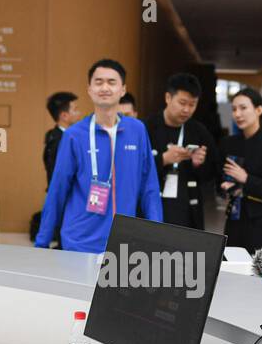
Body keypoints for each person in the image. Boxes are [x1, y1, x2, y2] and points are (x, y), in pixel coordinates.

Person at [35, 58, 163, 253]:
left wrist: (157, 233)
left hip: (124, 242)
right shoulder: (74, 135)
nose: (104, 87)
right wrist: (42, 242)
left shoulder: (137, 130)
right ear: (89, 89)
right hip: (80, 241)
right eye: (98, 82)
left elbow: (149, 187)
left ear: (123, 89)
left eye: (112, 82)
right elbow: (58, 190)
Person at [144, 73, 214, 229]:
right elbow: (134, 169)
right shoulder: (146, 127)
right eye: (182, 103)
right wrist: (163, 160)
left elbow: (211, 175)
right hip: (153, 207)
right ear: (168, 98)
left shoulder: (198, 131)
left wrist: (198, 165)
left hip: (187, 210)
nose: (187, 110)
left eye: (193, 104)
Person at [220, 87, 262, 252]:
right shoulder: (228, 143)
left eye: (243, 108)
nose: (237, 114)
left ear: (259, 110)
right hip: (234, 220)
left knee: (259, 273)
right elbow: (220, 180)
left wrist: (246, 179)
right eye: (234, 109)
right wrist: (226, 189)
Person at [31, 91, 81, 243]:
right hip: (64, 196)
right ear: (64, 116)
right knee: (64, 240)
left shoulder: (67, 136)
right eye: (75, 109)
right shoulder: (57, 140)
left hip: (68, 196)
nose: (79, 113)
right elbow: (55, 174)